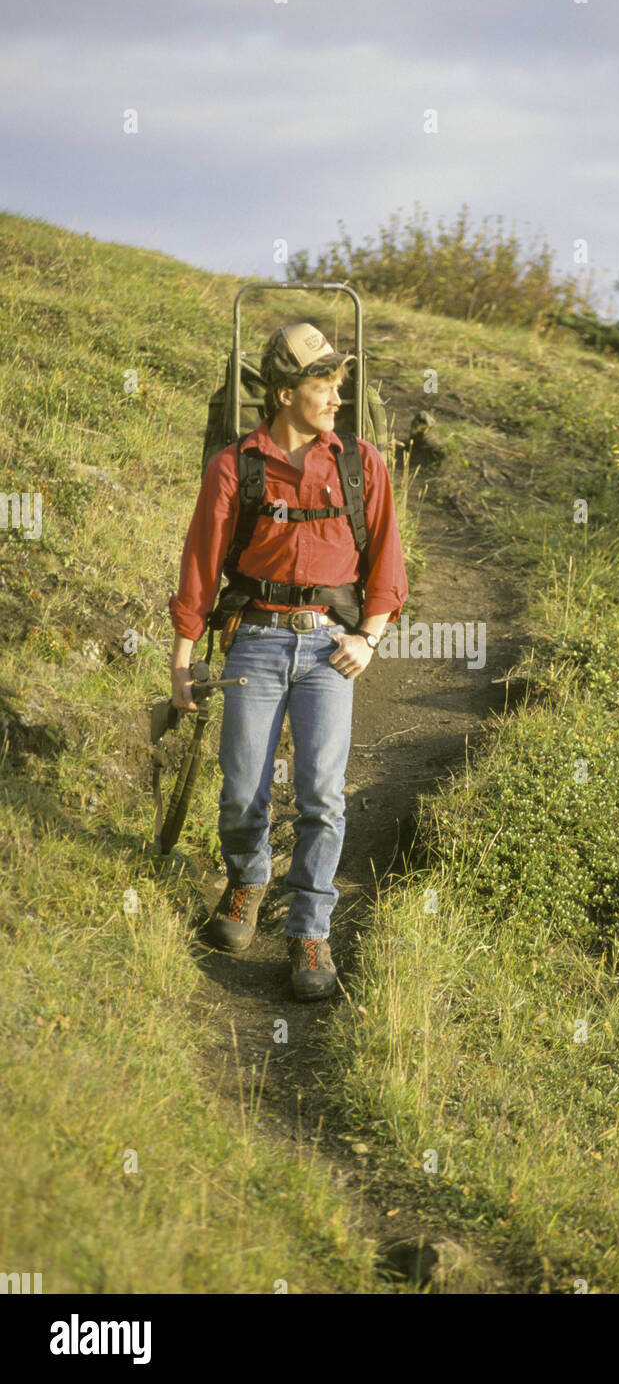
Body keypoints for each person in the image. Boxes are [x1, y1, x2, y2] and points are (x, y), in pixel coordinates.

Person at [168, 322, 409, 1000]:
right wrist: (182, 662)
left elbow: (389, 564)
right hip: (254, 640)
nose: (337, 398)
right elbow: (199, 567)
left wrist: (370, 636)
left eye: (338, 385)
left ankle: (310, 929)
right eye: (322, 386)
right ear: (284, 393)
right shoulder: (234, 466)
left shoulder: (363, 465)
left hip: (331, 650)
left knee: (322, 799)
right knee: (242, 787)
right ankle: (247, 883)